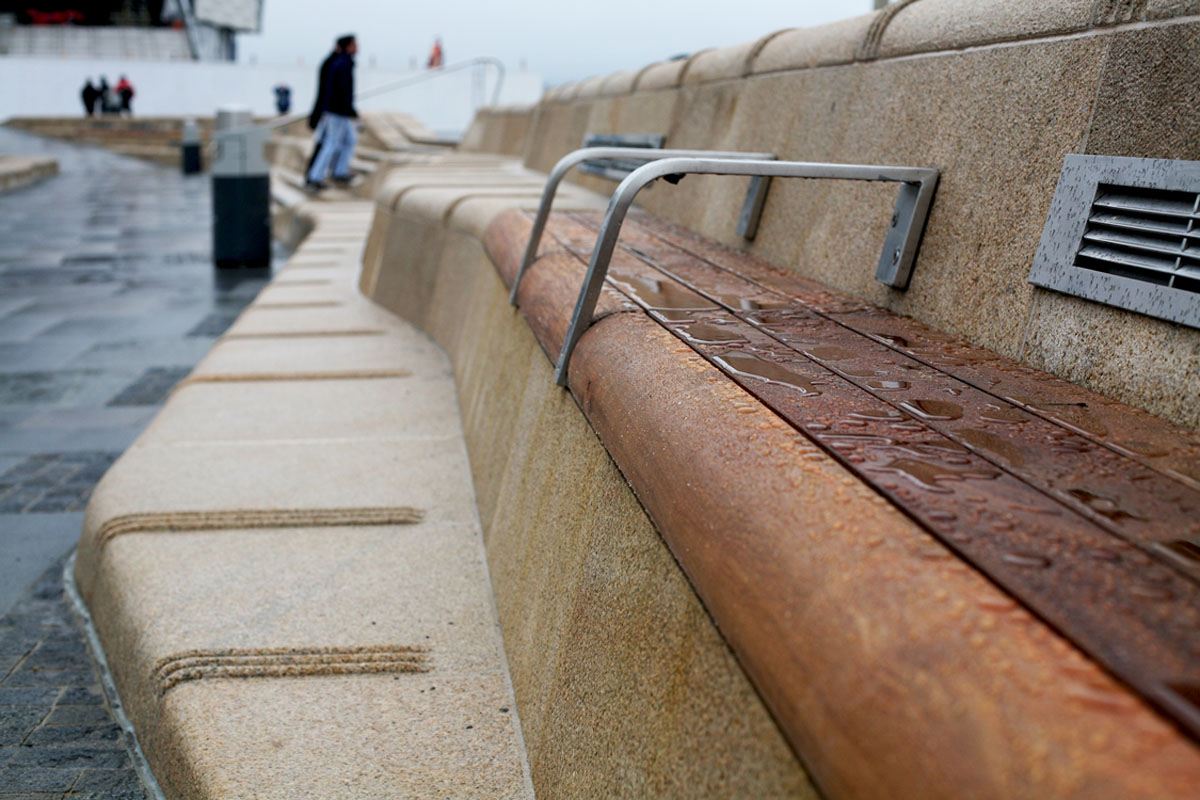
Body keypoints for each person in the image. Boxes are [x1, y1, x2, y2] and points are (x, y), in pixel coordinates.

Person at [306, 34, 358, 190]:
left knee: (350, 139)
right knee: (331, 143)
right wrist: (349, 110)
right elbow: (342, 90)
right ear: (348, 46)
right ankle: (315, 177)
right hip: (336, 111)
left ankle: (339, 171)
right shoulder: (342, 64)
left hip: (336, 110)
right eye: (355, 44)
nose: (357, 48)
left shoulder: (339, 62)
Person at [304, 38, 344, 181]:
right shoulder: (334, 64)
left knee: (324, 143)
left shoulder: (331, 63)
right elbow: (328, 91)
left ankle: (314, 176)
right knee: (325, 144)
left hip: (325, 110)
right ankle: (314, 177)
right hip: (328, 111)